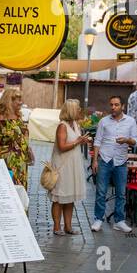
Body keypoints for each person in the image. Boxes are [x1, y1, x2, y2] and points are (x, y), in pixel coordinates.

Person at [91, 94, 137, 234]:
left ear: (122, 106)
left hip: (121, 161)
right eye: (111, 104)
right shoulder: (103, 122)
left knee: (121, 193)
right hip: (104, 160)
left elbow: (136, 140)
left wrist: (126, 140)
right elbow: (97, 141)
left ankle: (119, 221)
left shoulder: (130, 121)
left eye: (116, 104)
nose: (113, 107)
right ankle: (98, 219)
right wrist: (94, 160)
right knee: (100, 192)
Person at [49, 98, 87, 234]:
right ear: (71, 110)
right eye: (77, 108)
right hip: (63, 166)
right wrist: (78, 141)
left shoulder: (75, 124)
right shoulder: (62, 126)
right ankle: (57, 227)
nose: (80, 110)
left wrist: (82, 140)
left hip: (73, 165)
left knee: (69, 197)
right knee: (59, 197)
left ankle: (68, 226)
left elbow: (74, 142)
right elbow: (62, 146)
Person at [0, 86, 34, 189]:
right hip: (9, 162)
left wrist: (28, 149)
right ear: (9, 101)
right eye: (18, 100)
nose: (21, 102)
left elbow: (21, 137)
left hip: (21, 160)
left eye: (21, 99)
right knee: (10, 189)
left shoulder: (18, 117)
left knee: (21, 189)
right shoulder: (1, 119)